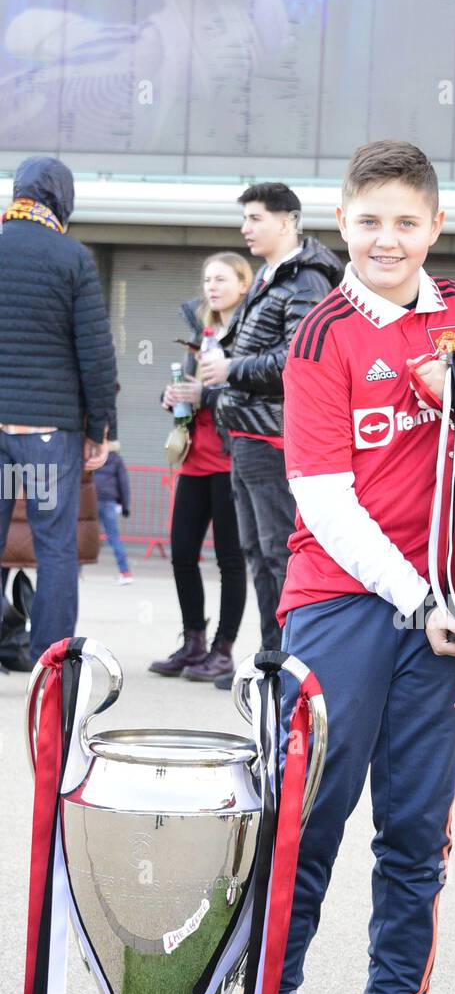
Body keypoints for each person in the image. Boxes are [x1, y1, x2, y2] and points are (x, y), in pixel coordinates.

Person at [206, 140, 455, 994]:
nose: (387, 240)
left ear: (436, 227)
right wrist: (418, 595)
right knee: (312, 814)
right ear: (343, 224)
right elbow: (324, 498)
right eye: (369, 222)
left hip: (447, 615)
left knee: (416, 829)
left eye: (406, 223)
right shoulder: (321, 335)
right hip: (341, 601)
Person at [198, 184, 342, 678]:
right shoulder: (271, 277)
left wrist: (231, 369)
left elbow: (299, 360)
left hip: (274, 440)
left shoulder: (306, 281)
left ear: (287, 222)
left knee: (279, 555)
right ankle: (272, 660)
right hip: (248, 437)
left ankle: (292, 666)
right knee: (258, 554)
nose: (245, 228)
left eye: (255, 218)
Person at [0, 155, 116, 664]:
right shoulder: (71, 258)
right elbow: (95, 352)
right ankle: (49, 663)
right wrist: (101, 426)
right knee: (54, 548)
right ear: (61, 200)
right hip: (45, 435)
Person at [149, 252, 250, 682]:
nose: (212, 286)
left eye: (222, 278)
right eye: (207, 278)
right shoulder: (201, 331)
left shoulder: (250, 333)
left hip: (232, 460)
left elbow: (253, 393)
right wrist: (170, 397)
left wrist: (203, 396)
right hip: (193, 458)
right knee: (183, 554)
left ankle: (223, 650)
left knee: (230, 559)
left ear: (243, 284)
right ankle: (193, 641)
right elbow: (187, 389)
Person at [94, 441, 132, 583]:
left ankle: (76, 572)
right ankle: (125, 572)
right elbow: (124, 483)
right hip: (109, 501)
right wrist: (125, 505)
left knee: (84, 535)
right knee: (114, 537)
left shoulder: (93, 456)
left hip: (92, 499)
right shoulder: (117, 460)